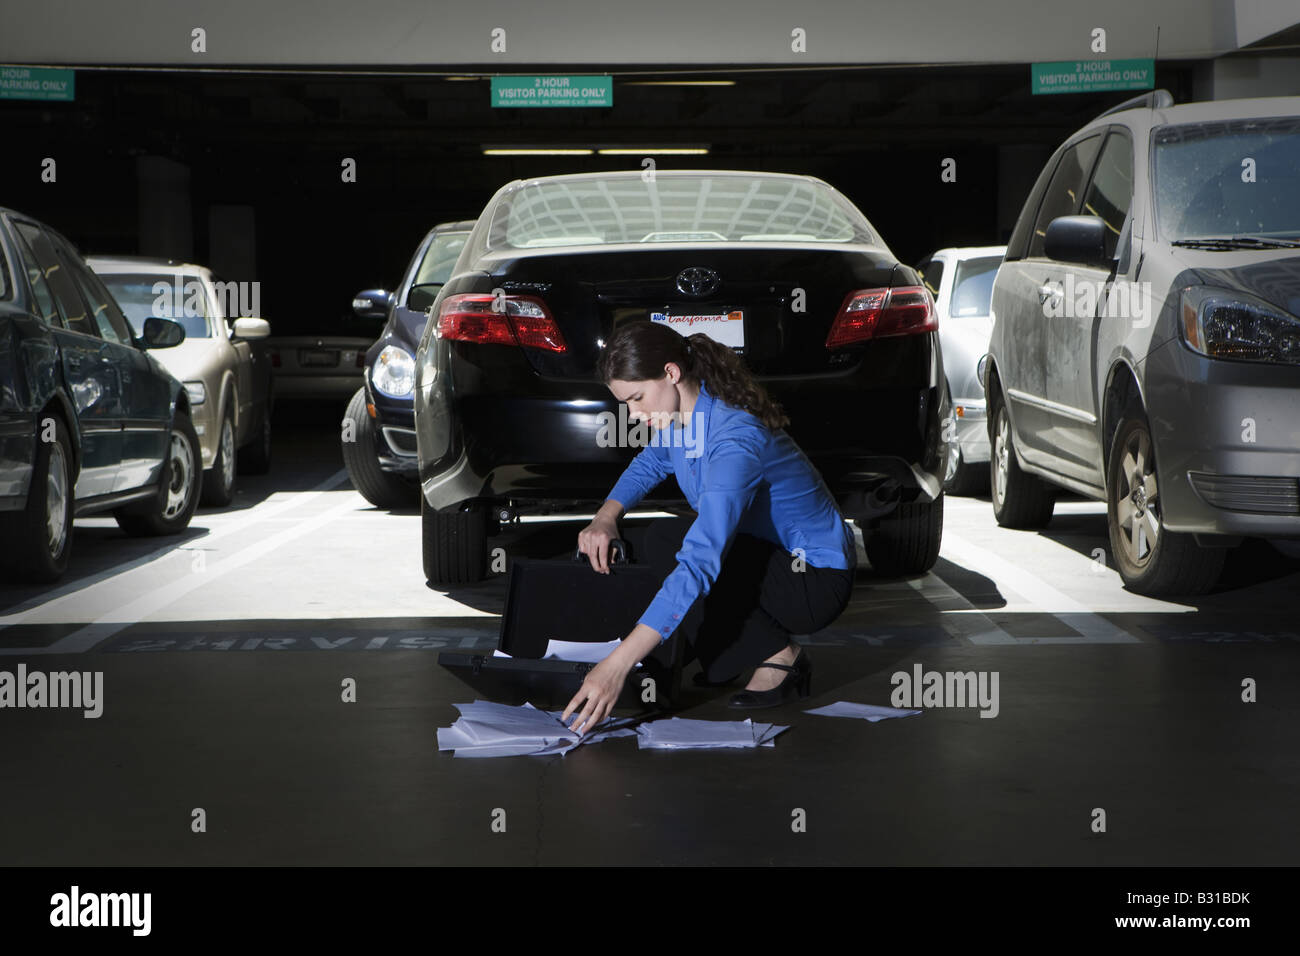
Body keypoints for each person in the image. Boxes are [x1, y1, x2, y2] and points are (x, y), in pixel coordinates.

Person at [561, 320, 858, 735]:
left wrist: (618, 664)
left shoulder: (734, 438)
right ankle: (729, 649)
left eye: (638, 398)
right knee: (663, 537)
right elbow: (649, 463)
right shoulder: (687, 415)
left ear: (670, 373)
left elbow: (702, 558)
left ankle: (780, 657)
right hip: (768, 554)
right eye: (626, 404)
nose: (636, 415)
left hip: (813, 579)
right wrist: (605, 517)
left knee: (685, 549)